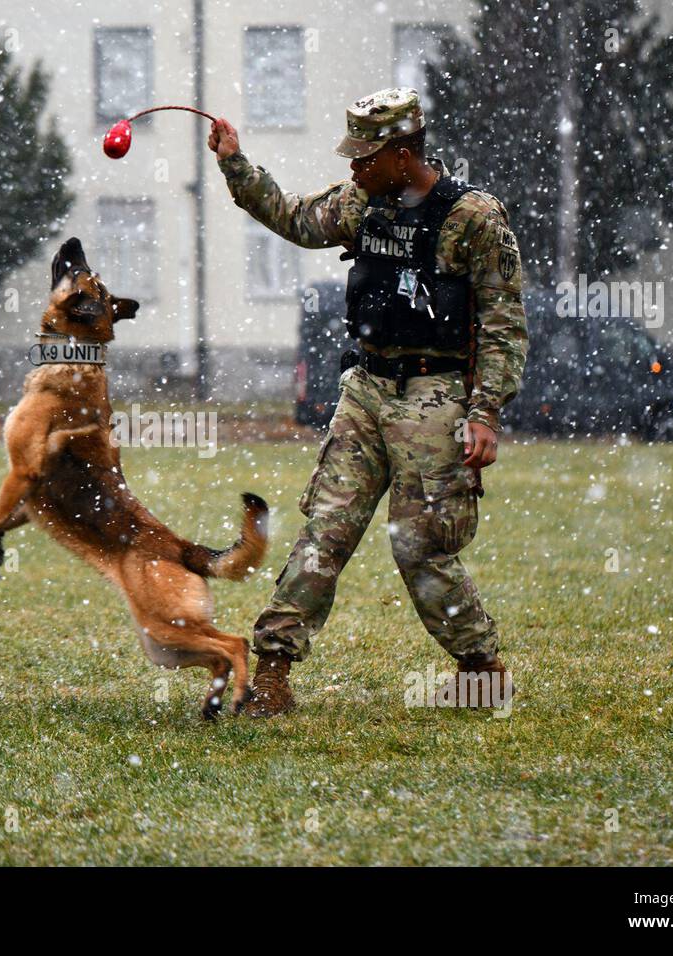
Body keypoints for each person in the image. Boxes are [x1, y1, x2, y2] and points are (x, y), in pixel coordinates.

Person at [207, 88, 528, 717]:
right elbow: (296, 219)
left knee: (419, 544)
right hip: (367, 388)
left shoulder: (473, 218)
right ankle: (271, 673)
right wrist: (235, 163)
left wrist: (485, 413)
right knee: (324, 532)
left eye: (366, 155)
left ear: (404, 154)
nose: (353, 167)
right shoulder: (363, 202)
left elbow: (503, 325)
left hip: (437, 396)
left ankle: (481, 669)